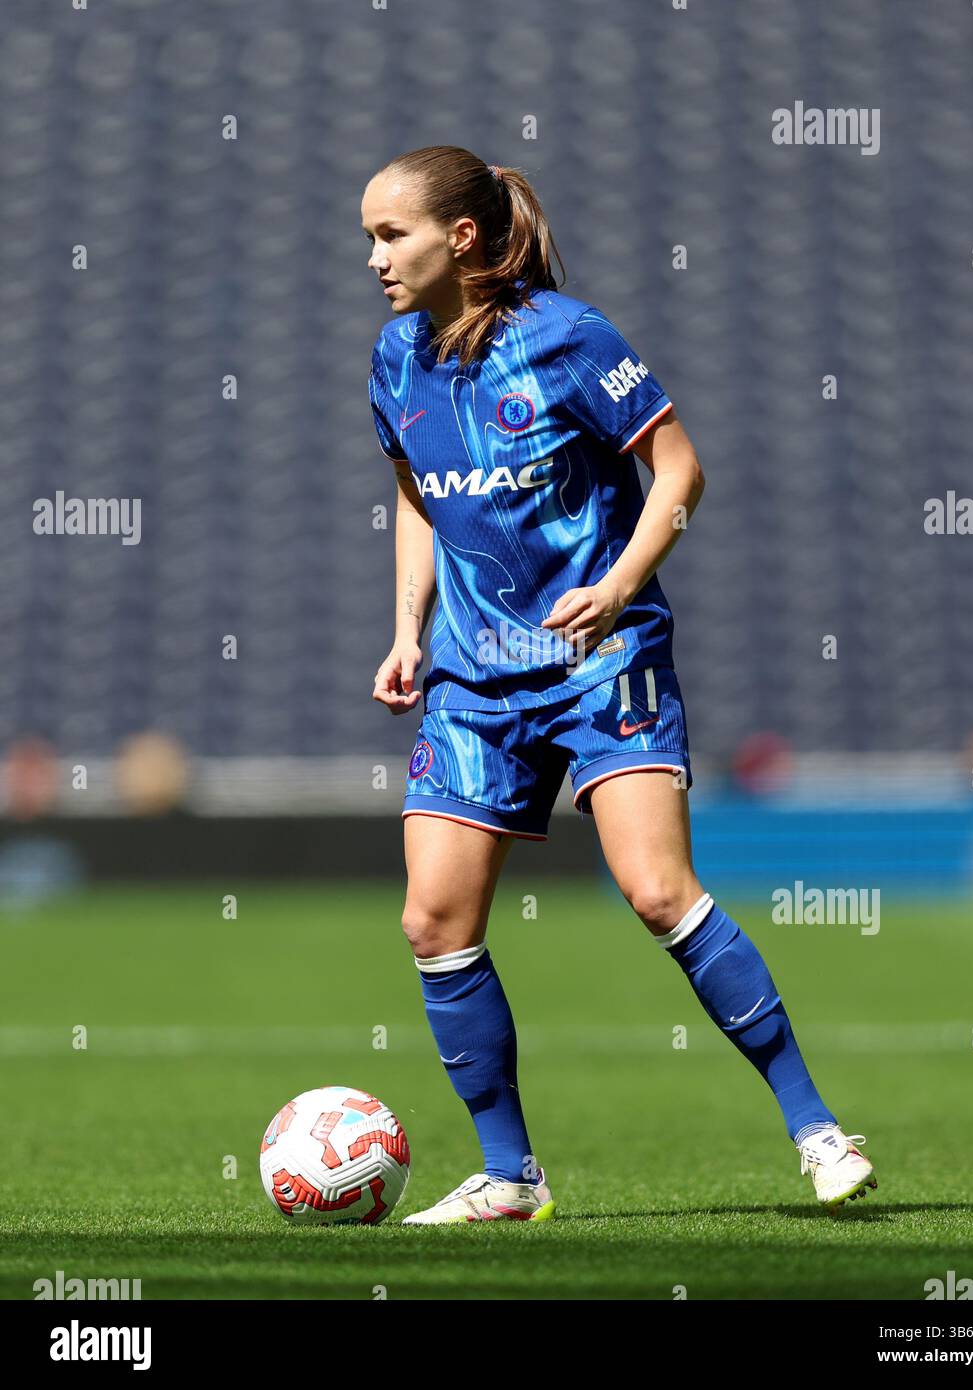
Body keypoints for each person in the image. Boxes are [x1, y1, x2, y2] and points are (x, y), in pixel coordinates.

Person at [363, 145, 876, 1224]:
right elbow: (417, 496)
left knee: (656, 891)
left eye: (390, 234)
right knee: (432, 921)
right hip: (474, 674)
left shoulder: (569, 337)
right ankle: (511, 1176)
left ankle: (818, 1130)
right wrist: (407, 628)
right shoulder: (395, 357)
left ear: (461, 239)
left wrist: (620, 582)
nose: (374, 257)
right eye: (368, 237)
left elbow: (680, 468)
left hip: (604, 658)